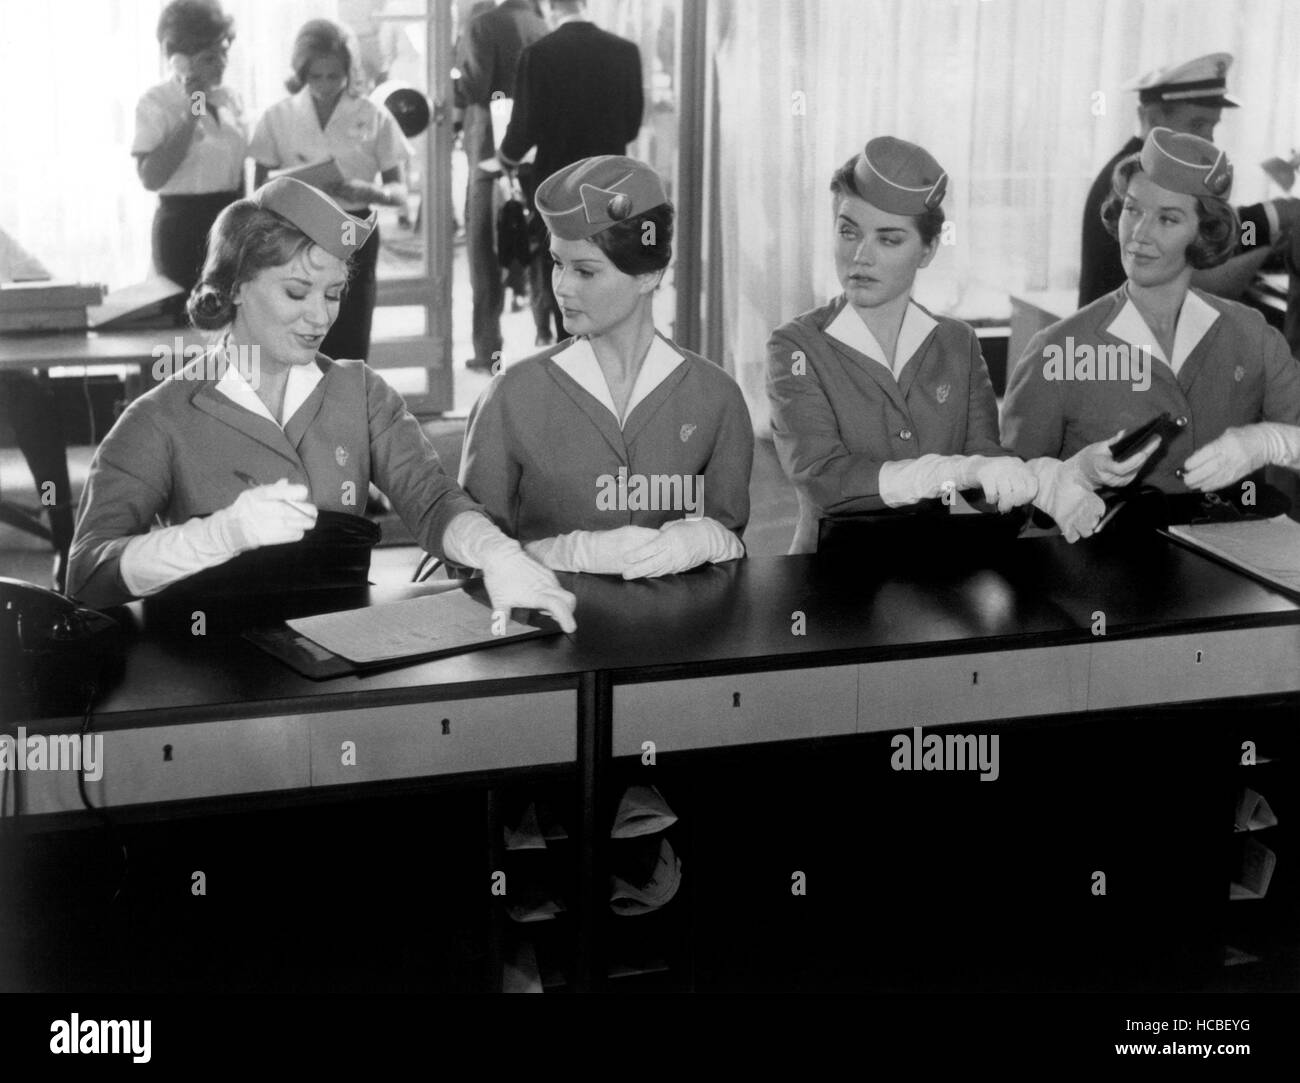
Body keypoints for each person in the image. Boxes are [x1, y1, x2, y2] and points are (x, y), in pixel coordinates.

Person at [67, 177, 576, 633]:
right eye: (296, 291)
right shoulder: (160, 417)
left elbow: (431, 500)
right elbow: (88, 575)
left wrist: (497, 553)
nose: (319, 317)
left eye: (333, 294)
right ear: (236, 287)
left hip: (339, 666)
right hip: (210, 668)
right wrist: (219, 535)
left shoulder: (360, 393)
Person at [459, 156, 752, 578]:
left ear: (649, 275)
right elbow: (467, 564)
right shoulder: (511, 395)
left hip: (680, 636)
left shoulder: (717, 397)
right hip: (545, 636)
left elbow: (732, 557)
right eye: (558, 263)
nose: (562, 287)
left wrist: (709, 538)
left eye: (585, 271)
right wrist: (563, 554)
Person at [1006, 129, 1300, 534]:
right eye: (1132, 209)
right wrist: (1071, 477)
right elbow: (1004, 495)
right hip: (1104, 574)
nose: (1140, 234)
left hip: (1231, 581)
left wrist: (1268, 442)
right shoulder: (1060, 349)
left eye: (1167, 218)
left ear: (1204, 233)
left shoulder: (1251, 336)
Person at [766, 137, 1040, 554]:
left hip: (941, 572)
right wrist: (947, 471)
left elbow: (984, 460)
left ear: (927, 250)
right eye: (848, 231)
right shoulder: (796, 347)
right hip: (832, 578)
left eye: (888, 239)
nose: (860, 255)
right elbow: (823, 477)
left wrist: (1042, 480)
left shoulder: (957, 342)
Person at [1078, 53, 1299, 308]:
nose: (1209, 140)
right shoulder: (1143, 178)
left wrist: (1269, 218)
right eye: (1197, 125)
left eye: (1212, 127)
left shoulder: (1143, 168)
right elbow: (1212, 284)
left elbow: (1205, 223)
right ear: (1153, 119)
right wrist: (1268, 245)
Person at [250, 19, 411, 364]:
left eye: (334, 76)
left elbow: (399, 192)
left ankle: (347, 412)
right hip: (294, 234)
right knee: (298, 341)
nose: (325, 86)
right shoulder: (277, 117)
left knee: (350, 339)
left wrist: (368, 190)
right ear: (301, 72)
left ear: (348, 71)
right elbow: (256, 192)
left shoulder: (374, 116)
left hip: (352, 233)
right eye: (315, 76)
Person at [500, 0, 644, 346]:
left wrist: (505, 157)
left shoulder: (537, 55)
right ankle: (609, 354)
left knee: (567, 274)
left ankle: (572, 356)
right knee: (607, 267)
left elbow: (523, 131)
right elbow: (630, 126)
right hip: (610, 187)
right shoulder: (625, 52)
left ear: (551, 8)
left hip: (558, 190)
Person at [132, 0, 247, 308]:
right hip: (182, 227)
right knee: (182, 333)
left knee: (229, 325)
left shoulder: (231, 99)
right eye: (211, 56)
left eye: (224, 51)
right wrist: (194, 107)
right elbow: (151, 176)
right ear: (181, 60)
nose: (222, 62)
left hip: (228, 225)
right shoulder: (157, 101)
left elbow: (238, 172)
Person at [454, 0, 549, 370]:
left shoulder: (482, 24)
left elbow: (476, 87)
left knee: (483, 245)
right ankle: (546, 333)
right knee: (540, 239)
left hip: (490, 148)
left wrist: (454, 79)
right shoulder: (540, 25)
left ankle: (488, 350)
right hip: (535, 148)